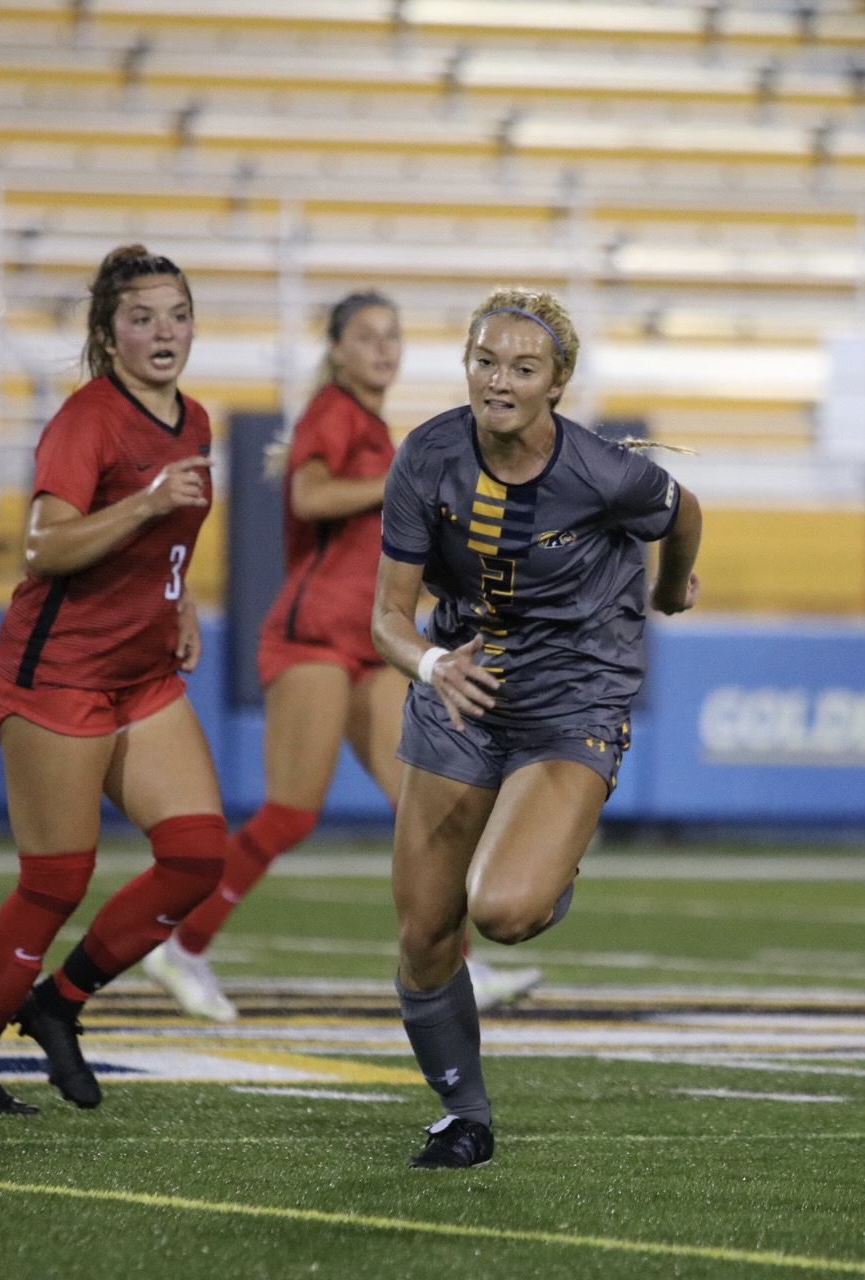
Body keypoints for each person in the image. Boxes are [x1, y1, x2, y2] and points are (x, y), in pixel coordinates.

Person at [371, 287, 702, 1168]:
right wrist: (434, 666)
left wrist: (670, 591)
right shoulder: (427, 457)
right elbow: (388, 621)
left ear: (558, 382)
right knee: (424, 930)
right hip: (460, 689)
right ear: (466, 365)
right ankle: (463, 1116)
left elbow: (684, 511)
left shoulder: (602, 469)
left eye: (523, 367)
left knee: (507, 911)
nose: (499, 380)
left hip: (573, 699)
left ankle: (548, 864)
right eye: (485, 361)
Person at [144, 292, 540, 1021]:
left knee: (429, 808)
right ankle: (180, 945)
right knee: (291, 813)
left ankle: (461, 968)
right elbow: (308, 493)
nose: (385, 349)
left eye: (394, 336)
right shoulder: (334, 410)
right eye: (368, 336)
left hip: (368, 647)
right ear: (337, 348)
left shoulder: (371, 426)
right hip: (313, 639)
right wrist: (405, 484)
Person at [0, 244, 227, 1113]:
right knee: (55, 880)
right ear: (109, 333)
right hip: (59, 674)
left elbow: (171, 536)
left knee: (196, 857)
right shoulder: (85, 420)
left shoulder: (196, 419)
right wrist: (143, 504)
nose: (164, 332)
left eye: (177, 314)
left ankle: (58, 1004)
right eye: (142, 318)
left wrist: (180, 603)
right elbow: (44, 546)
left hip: (141, 675)